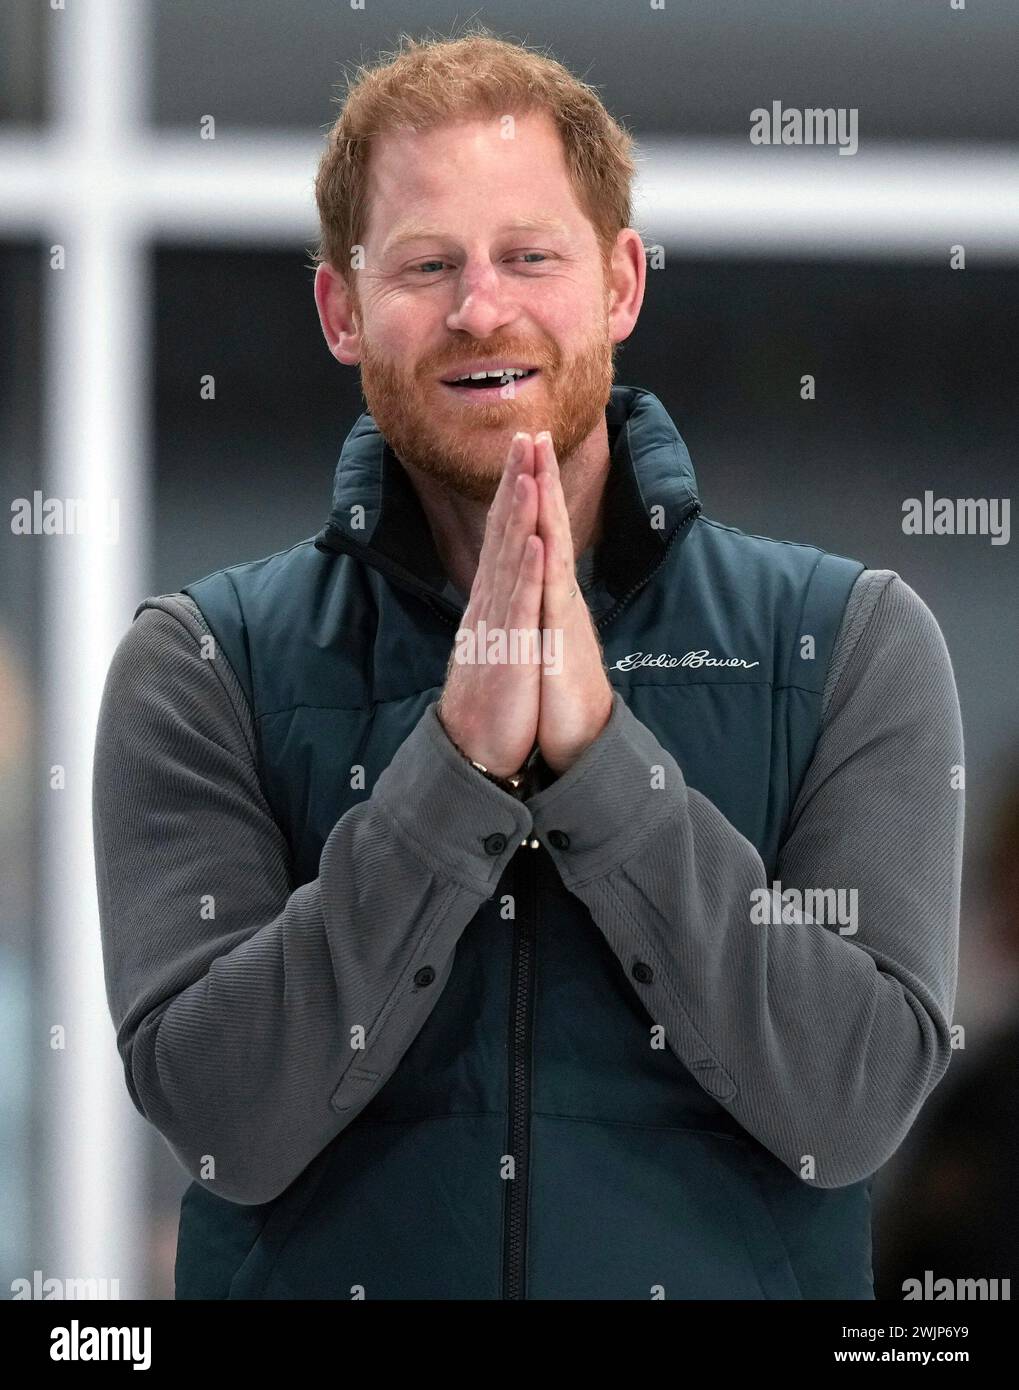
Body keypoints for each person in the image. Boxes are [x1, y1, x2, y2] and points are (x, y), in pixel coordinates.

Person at [93, 30, 964, 1300]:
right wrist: (450, 774)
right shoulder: (201, 665)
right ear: (340, 308)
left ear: (618, 283)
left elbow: (852, 1102)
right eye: (426, 264)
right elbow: (221, 1116)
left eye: (527, 256)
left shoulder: (848, 645)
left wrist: (602, 763)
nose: (479, 306)